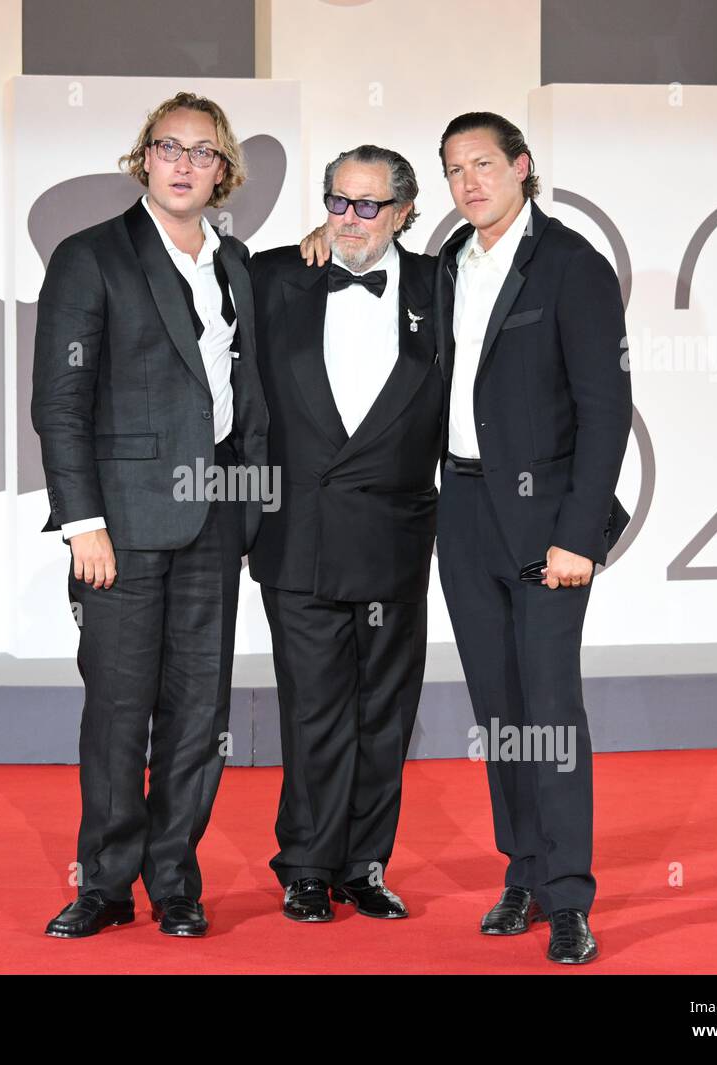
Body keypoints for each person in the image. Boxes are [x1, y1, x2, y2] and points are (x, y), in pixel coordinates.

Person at [303, 112, 632, 963]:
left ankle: (569, 898)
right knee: (500, 709)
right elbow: (369, 258)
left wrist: (580, 537)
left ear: (524, 167)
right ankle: (521, 870)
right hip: (466, 510)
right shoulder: (448, 263)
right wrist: (327, 234)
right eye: (454, 170)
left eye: (485, 164)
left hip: (548, 522)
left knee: (550, 710)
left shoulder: (572, 266)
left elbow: (606, 412)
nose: (470, 182)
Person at [31, 92, 268, 939]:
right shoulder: (88, 256)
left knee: (199, 713)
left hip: (214, 524)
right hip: (120, 529)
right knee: (118, 712)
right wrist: (80, 520)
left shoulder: (236, 264)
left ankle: (175, 879)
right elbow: (59, 404)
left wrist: (250, 505)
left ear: (222, 169)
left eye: (202, 152)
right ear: (143, 157)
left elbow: (248, 396)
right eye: (168, 146)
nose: (183, 163)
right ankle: (104, 883)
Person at [249, 145, 442, 923]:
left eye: (369, 204)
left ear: (403, 212)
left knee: (385, 709)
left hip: (395, 533)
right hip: (298, 532)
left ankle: (364, 863)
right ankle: (305, 863)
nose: (351, 219)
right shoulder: (271, 276)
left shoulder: (442, 284)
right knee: (313, 707)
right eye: (338, 201)